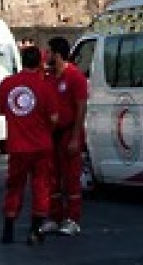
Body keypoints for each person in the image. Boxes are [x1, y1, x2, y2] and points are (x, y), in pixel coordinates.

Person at [0, 45, 59, 245]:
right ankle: (35, 229)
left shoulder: (7, 84)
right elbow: (54, 118)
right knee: (41, 187)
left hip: (17, 146)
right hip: (41, 146)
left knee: (14, 187)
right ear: (39, 63)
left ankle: (8, 229)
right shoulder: (45, 86)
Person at [42, 36, 88, 236]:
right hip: (52, 134)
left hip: (69, 133)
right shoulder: (49, 77)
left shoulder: (75, 77)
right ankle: (54, 216)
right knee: (52, 178)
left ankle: (73, 219)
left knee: (71, 178)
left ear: (57, 54)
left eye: (49, 52)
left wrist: (75, 137)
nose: (47, 56)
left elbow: (81, 108)